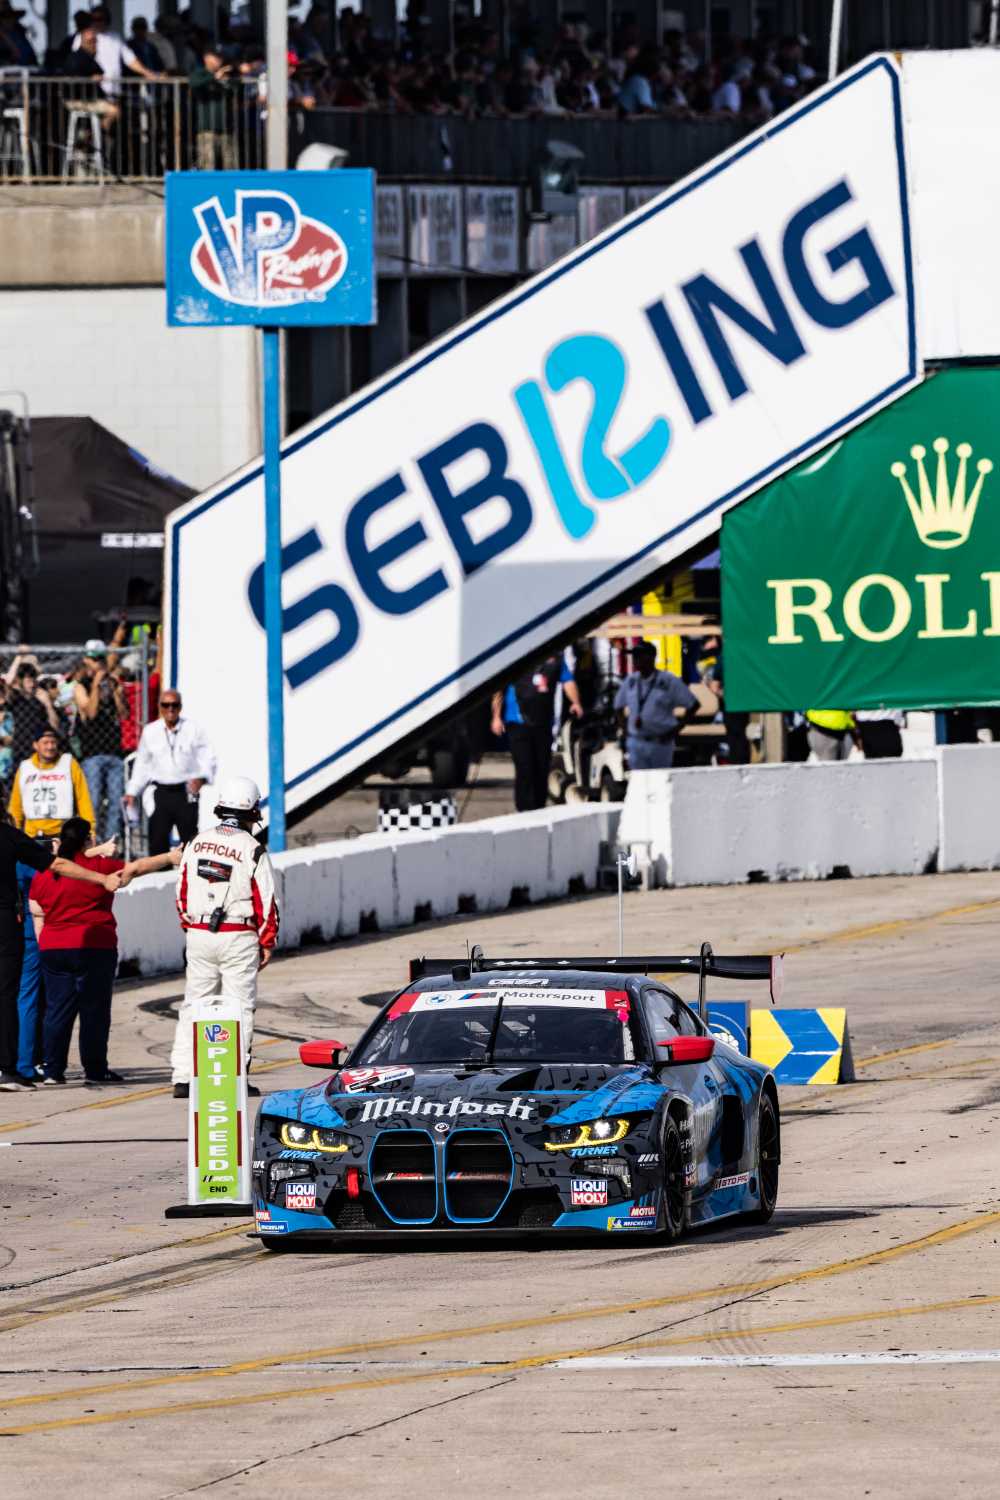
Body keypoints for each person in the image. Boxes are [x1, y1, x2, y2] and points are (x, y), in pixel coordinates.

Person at [29, 818, 178, 1086]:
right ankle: (95, 1070)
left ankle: (53, 1069)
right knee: (94, 1012)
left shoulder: (46, 873)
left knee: (56, 1010)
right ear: (87, 840)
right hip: (94, 946)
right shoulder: (100, 868)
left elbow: (36, 906)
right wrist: (171, 856)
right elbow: (138, 867)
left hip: (53, 946)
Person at [170, 777, 279, 1099]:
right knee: (239, 1007)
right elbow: (267, 901)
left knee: (194, 1004)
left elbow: (181, 893)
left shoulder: (196, 842)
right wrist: (267, 941)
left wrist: (191, 926)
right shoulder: (252, 848)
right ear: (252, 811)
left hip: (199, 933)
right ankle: (234, 1077)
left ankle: (184, 1077)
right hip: (238, 934)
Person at [0, 813, 121, 1091]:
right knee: (21, 995)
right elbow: (56, 864)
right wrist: (99, 874)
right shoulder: (10, 839)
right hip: (28, 931)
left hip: (48, 939)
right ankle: (17, 1066)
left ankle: (46, 1067)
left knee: (48, 1007)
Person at [124, 691, 216, 854]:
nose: (170, 709)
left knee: (191, 839)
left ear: (180, 707)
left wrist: (201, 779)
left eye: (174, 705)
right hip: (161, 791)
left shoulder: (193, 728)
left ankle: (191, 875)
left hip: (188, 790)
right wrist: (132, 792)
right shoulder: (150, 731)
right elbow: (142, 765)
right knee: (157, 839)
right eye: (166, 705)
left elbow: (208, 757)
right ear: (160, 707)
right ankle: (157, 876)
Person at [491, 654, 583, 812]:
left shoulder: (555, 660)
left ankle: (539, 808)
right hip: (517, 722)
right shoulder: (515, 658)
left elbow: (568, 681)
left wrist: (575, 702)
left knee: (541, 768)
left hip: (543, 723)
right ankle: (524, 809)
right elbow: (499, 688)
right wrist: (496, 717)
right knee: (525, 767)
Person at [73, 639, 126, 843]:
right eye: (95, 659)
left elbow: (123, 714)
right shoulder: (81, 686)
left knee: (115, 802)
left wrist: (114, 690)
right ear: (86, 661)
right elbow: (91, 712)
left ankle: (111, 842)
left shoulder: (112, 685)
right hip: (92, 754)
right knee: (93, 802)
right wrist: (95, 685)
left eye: (101, 659)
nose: (99, 664)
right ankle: (92, 841)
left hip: (114, 751)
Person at [615, 640, 697, 770]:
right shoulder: (631, 681)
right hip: (637, 741)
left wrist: (675, 730)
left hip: (660, 742)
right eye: (634, 656)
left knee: (660, 780)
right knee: (640, 780)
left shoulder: (668, 680)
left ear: (651, 657)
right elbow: (618, 707)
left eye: (639, 655)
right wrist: (626, 730)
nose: (635, 660)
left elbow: (693, 705)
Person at [9, 729, 95, 839]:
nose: (50, 747)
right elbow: (16, 806)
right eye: (45, 743)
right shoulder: (25, 768)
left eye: (53, 742)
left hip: (63, 834)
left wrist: (90, 830)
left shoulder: (69, 764)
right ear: (35, 745)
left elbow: (83, 799)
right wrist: (12, 834)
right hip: (32, 835)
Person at [6, 659, 60, 767]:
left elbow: (55, 725)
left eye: (34, 679)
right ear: (20, 681)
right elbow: (8, 681)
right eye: (28, 680)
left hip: (39, 749)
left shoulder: (41, 698)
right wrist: (19, 657)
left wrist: (48, 704)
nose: (33, 683)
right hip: (20, 747)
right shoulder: (16, 698)